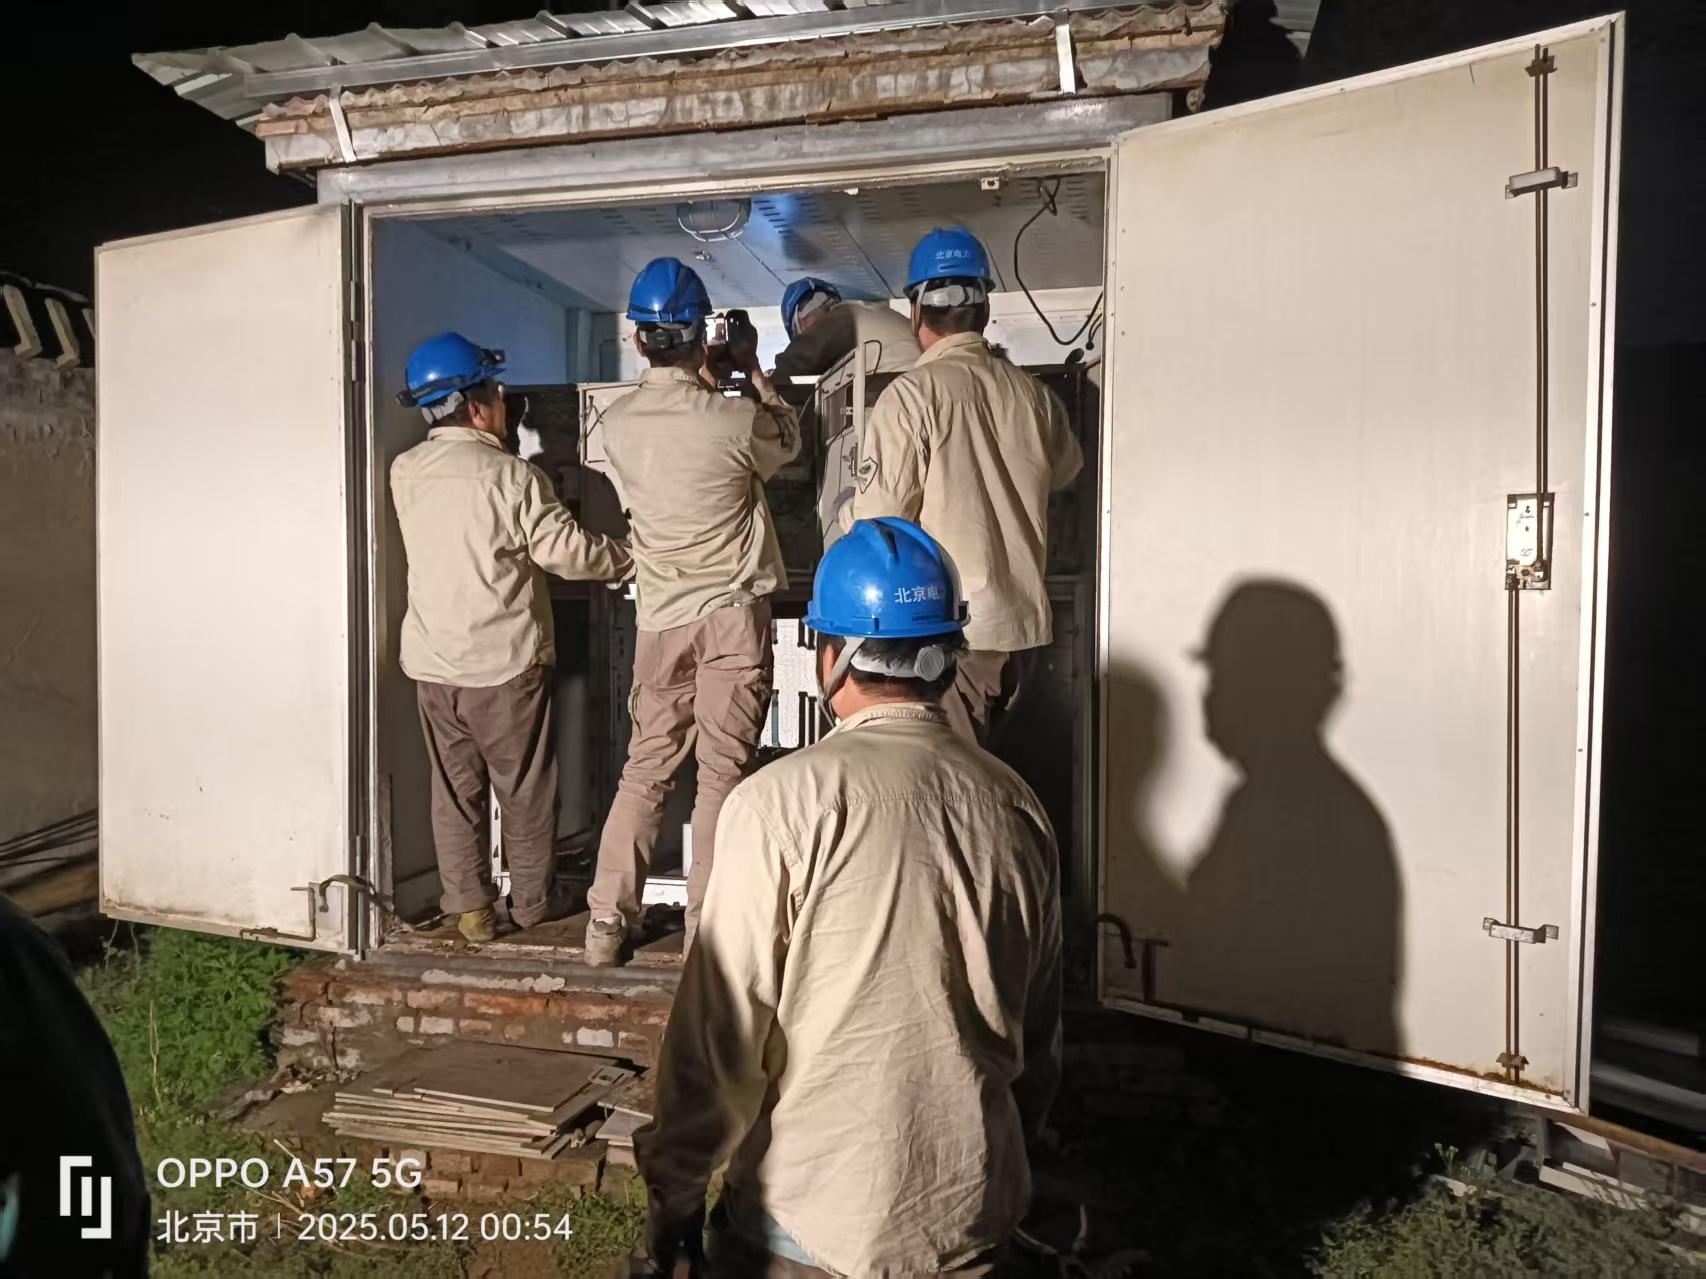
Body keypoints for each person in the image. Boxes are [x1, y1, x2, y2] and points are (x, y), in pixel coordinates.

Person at [636, 517, 1063, 1276]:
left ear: (830, 656)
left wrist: (676, 1192)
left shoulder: (779, 804)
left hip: (811, 1226)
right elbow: (1038, 1034)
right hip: (972, 1219)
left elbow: (720, 1033)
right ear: (949, 654)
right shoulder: (1016, 805)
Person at [584, 259, 802, 966]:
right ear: (698, 334)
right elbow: (787, 442)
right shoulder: (734, 418)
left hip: (660, 618)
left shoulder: (616, 425)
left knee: (645, 769)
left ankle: (605, 924)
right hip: (732, 615)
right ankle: (705, 929)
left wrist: (704, 375)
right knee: (721, 774)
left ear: (639, 339)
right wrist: (751, 370)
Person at [390, 332, 633, 942]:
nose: (506, 404)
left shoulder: (405, 470)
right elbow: (566, 554)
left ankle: (470, 909)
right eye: (499, 394)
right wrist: (629, 555)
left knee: (454, 793)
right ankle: (530, 905)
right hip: (504, 664)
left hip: (434, 665)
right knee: (523, 791)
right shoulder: (512, 477)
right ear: (476, 405)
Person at [843, 228, 1084, 746]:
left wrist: (838, 514)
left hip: (952, 631)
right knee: (986, 764)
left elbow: (880, 524)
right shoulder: (1035, 397)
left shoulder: (912, 396)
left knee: (943, 773)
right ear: (985, 308)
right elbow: (1066, 470)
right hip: (1021, 629)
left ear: (915, 310)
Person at [770, 277, 920, 380]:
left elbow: (794, 364)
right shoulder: (863, 313)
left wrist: (766, 385)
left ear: (800, 323)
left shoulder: (840, 318)